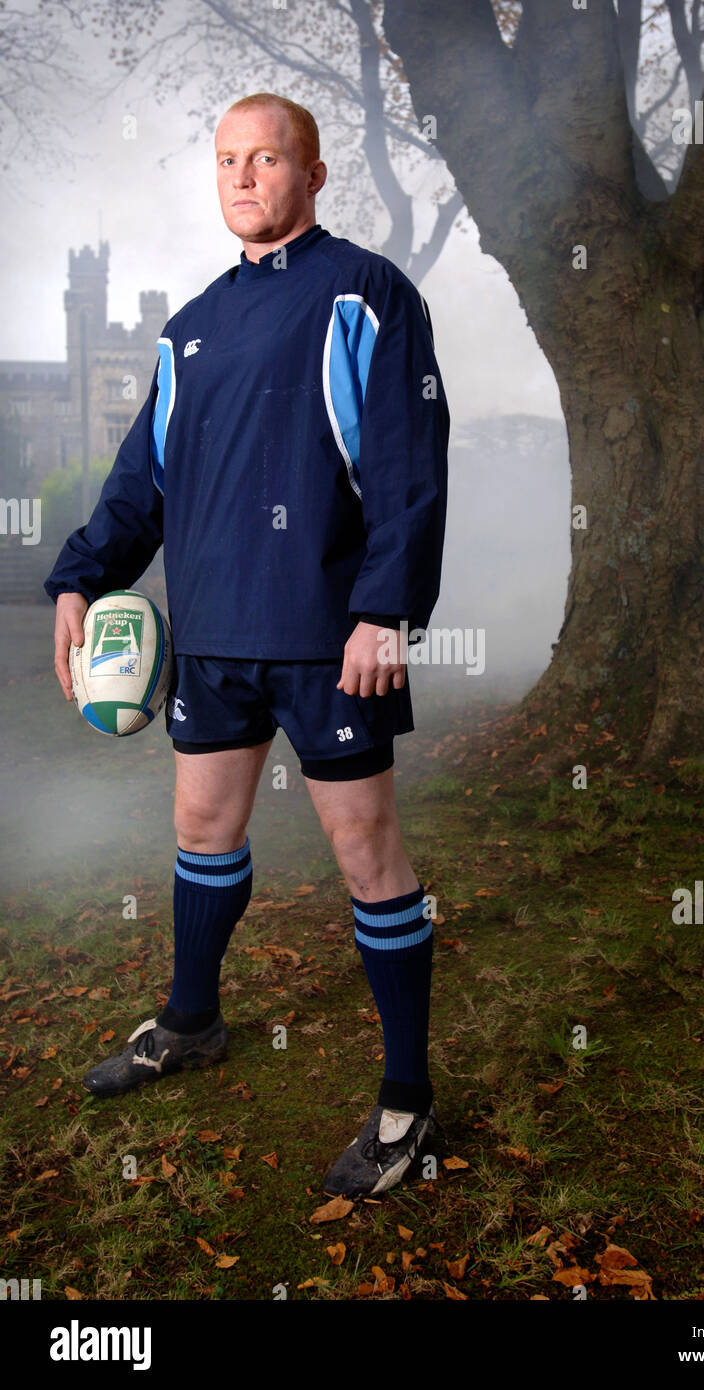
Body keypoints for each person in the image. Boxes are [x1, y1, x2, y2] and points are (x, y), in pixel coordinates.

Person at [44, 92, 449, 1200]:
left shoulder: (368, 293)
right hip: (213, 635)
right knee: (201, 825)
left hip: (328, 636)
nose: (242, 177)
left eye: (265, 158)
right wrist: (82, 571)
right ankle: (190, 1021)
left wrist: (385, 608)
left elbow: (410, 460)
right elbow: (143, 483)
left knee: (367, 852)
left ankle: (407, 1099)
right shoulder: (191, 327)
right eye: (226, 160)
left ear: (311, 175)